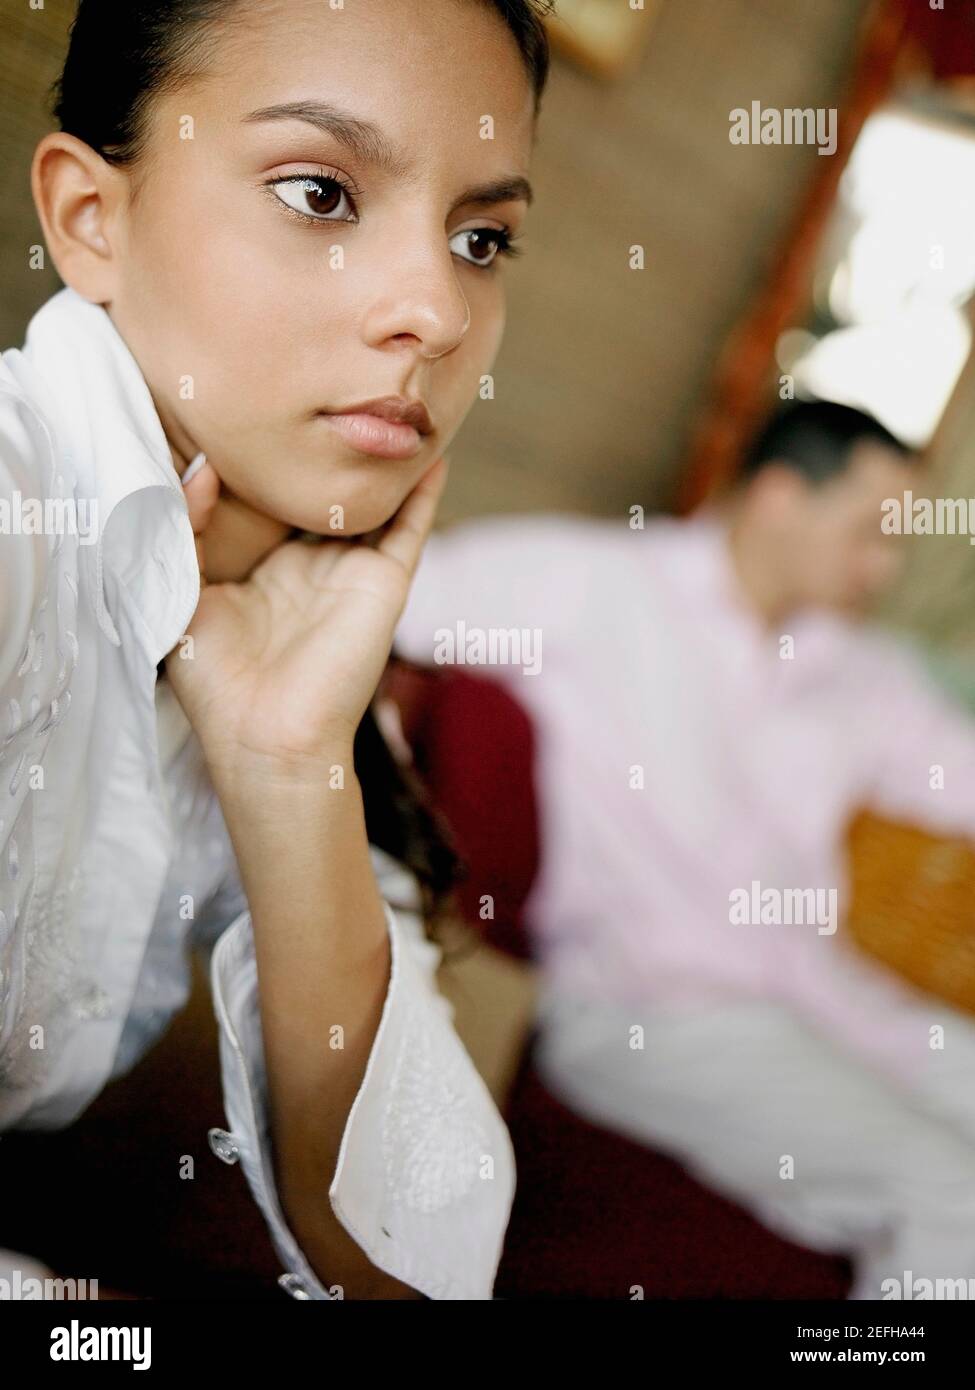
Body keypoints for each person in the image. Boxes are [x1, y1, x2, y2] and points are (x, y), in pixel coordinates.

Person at [0, 0, 553, 1300]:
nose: (432, 308)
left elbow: (418, 1268)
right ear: (93, 218)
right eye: (320, 191)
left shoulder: (299, 625)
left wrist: (288, 759)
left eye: (481, 237)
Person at [394, 398, 975, 1299]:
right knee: (949, 1192)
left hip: (824, 994)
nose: (885, 567)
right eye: (870, 534)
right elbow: (383, 601)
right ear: (780, 499)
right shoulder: (593, 586)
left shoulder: (856, 672)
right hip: (648, 1008)